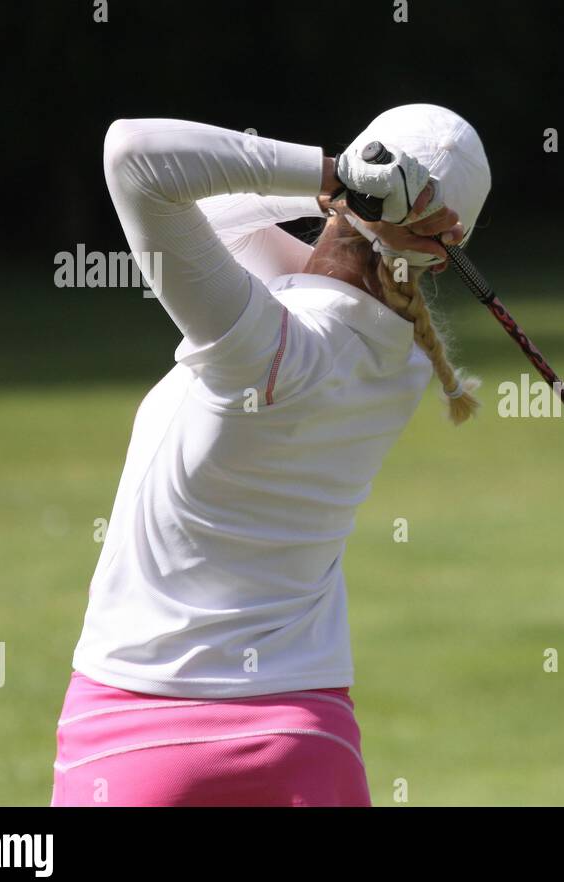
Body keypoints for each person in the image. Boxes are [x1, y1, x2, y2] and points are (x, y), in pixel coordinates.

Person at [51, 105, 490, 806]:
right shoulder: (402, 357)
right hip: (308, 742)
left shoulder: (268, 344)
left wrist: (330, 176)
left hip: (139, 732)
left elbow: (133, 154)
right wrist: (348, 191)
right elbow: (227, 220)